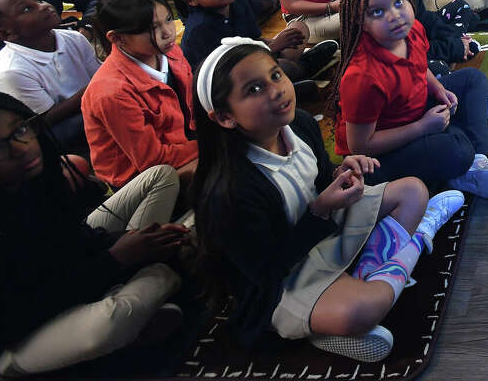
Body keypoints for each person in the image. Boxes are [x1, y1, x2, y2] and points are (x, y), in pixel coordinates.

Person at [190, 38, 465, 360]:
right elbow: (267, 271)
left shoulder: (301, 125)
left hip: (322, 229)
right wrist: (321, 209)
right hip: (285, 273)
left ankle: (362, 282)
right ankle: (413, 243)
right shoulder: (230, 189)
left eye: (276, 75)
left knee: (413, 191)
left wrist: (340, 175)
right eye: (253, 89)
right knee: (361, 310)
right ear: (225, 117)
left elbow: (317, 180)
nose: (276, 90)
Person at [0, 91, 188, 378]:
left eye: (21, 129)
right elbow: (16, 314)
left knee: (159, 177)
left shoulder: (37, 179)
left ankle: (138, 296)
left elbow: (72, 244)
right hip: (8, 338)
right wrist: (117, 260)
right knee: (108, 323)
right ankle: (160, 278)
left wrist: (129, 242)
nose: (21, 148)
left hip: (70, 277)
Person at [330, 0, 488, 197]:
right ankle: (466, 146)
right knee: (457, 147)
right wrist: (422, 127)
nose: (394, 16)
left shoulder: (411, 29)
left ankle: (480, 158)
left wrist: (438, 90)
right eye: (377, 12)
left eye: (398, 2)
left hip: (412, 111)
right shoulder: (363, 77)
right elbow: (360, 146)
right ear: (359, 22)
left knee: (473, 79)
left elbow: (420, 67)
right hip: (381, 152)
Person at [81, 0, 198, 191]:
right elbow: (151, 160)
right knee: (230, 165)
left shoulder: (168, 52)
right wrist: (213, 142)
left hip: (181, 145)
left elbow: (190, 106)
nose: (167, 33)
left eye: (168, 20)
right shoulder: (113, 93)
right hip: (142, 176)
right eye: (151, 28)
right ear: (117, 38)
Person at [168, 0, 338, 82]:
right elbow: (222, 70)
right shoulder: (200, 29)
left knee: (299, 28)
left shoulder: (238, 3)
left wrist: (275, 43)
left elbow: (253, 39)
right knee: (285, 67)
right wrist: (273, 48)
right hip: (227, 80)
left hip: (253, 56)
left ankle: (294, 71)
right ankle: (303, 69)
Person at [0, 0, 96, 156]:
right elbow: (45, 120)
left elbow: (98, 74)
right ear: (5, 34)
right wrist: (97, 88)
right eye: (26, 9)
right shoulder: (11, 71)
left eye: (38, 0)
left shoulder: (73, 38)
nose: (44, 6)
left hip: (91, 106)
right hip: (58, 130)